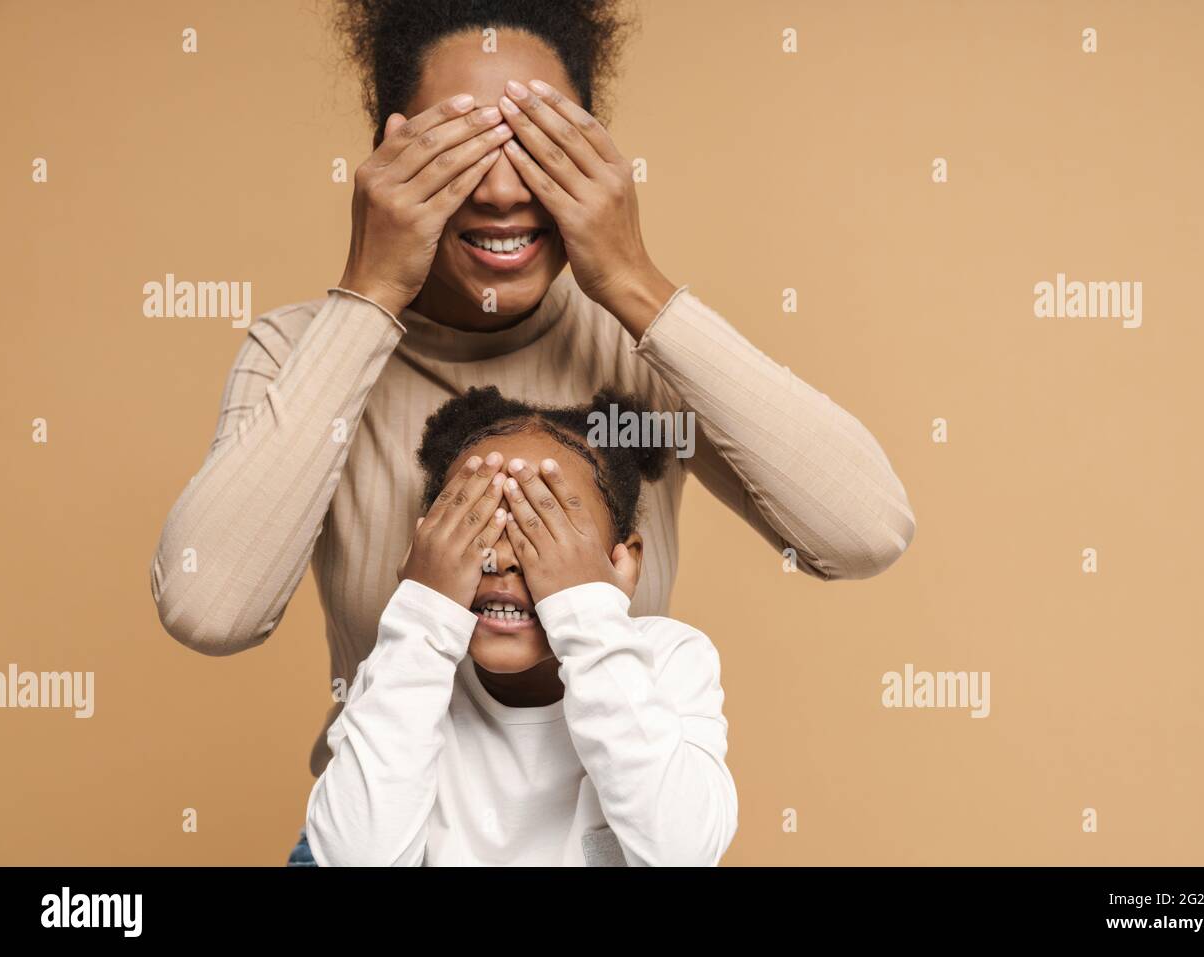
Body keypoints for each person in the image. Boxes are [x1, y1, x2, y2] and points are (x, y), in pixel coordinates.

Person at [147, 1, 915, 861]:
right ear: (389, 156)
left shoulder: (638, 344)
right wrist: (369, 293)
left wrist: (630, 279)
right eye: (462, 145)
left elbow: (865, 532)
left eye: (539, 144)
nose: (504, 190)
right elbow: (209, 608)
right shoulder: (303, 350)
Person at [304, 387, 736, 866]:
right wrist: (423, 613)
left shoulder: (669, 659)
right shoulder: (404, 666)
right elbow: (353, 859)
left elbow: (681, 853)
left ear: (623, 563)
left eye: (540, 531)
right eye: (477, 525)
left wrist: (588, 613)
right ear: (421, 554)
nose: (501, 558)